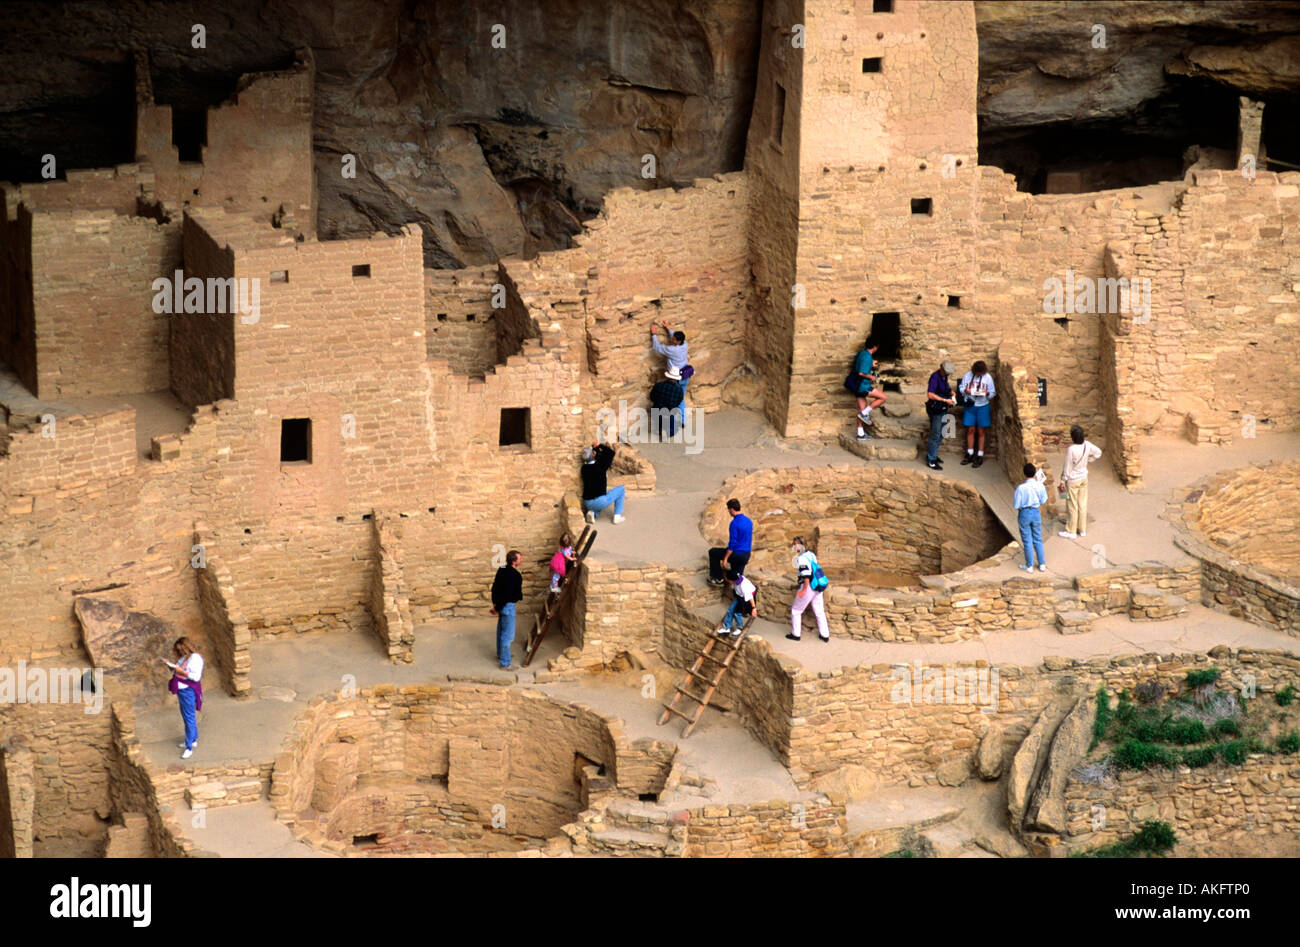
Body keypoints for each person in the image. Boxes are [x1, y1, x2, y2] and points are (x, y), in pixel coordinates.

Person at [1059, 425, 1103, 539]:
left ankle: (1071, 531)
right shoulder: (1087, 445)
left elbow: (1067, 467)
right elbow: (1098, 452)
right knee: (1082, 504)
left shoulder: (1072, 449)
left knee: (1072, 506)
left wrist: (1063, 480)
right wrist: (1089, 460)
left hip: (1073, 480)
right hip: (1084, 477)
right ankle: (1082, 529)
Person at [165, 637, 203, 759]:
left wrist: (181, 671)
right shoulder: (184, 658)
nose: (180, 652)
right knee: (187, 715)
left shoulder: (196, 659)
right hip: (182, 691)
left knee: (189, 718)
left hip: (188, 691)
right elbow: (178, 670)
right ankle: (193, 739)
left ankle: (189, 747)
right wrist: (172, 667)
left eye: (181, 649)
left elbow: (195, 677)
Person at [786, 537, 830, 642]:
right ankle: (825, 635)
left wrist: (803, 590)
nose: (794, 546)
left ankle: (796, 634)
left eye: (795, 544)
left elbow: (806, 575)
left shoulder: (801, 558)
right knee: (819, 611)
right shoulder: (811, 554)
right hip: (817, 585)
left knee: (796, 610)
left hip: (809, 586)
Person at [650, 320, 690, 432]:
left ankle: (669, 425)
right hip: (685, 375)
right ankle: (682, 421)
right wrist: (668, 329)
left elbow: (658, 348)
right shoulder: (685, 344)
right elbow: (675, 337)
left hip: (676, 378)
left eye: (673, 339)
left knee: (670, 401)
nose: (671, 340)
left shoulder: (673, 350)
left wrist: (654, 334)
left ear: (678, 341)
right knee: (681, 399)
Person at [958, 360, 996, 467]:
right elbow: (961, 388)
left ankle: (979, 455)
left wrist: (987, 393)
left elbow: (993, 392)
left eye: (981, 373)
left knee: (981, 431)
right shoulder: (968, 375)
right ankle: (969, 453)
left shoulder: (987, 377)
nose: (979, 375)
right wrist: (966, 391)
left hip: (983, 406)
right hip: (970, 406)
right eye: (978, 373)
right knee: (970, 429)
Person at [489, 550, 523, 669]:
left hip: (501, 605)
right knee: (507, 636)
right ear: (514, 561)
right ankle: (505, 663)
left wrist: (495, 604)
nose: (521, 560)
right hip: (508, 606)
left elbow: (495, 587)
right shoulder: (515, 575)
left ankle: (501, 655)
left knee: (501, 631)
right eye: (519, 558)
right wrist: (498, 607)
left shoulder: (502, 568)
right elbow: (508, 594)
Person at [708, 498, 753, 586]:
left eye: (728, 509)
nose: (728, 512)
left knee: (713, 552)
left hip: (736, 554)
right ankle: (740, 598)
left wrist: (725, 558)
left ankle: (718, 578)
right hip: (746, 555)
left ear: (731, 509)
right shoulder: (748, 521)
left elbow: (732, 544)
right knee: (737, 580)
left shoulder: (734, 523)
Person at [1013, 463, 1049, 572]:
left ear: (1024, 474)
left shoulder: (1021, 488)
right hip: (1035, 512)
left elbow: (1016, 505)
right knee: (1038, 538)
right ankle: (1042, 564)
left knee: (1027, 540)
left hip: (1024, 513)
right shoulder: (1040, 485)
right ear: (1034, 473)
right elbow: (1043, 500)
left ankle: (1029, 566)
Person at [581, 442, 625, 524]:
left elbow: (595, 460)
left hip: (587, 502)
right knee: (621, 489)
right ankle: (617, 516)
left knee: (605, 494)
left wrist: (595, 451)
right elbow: (610, 453)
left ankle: (593, 514)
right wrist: (598, 446)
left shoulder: (584, 469)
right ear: (593, 456)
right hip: (600, 501)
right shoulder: (601, 466)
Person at [852, 337, 887, 439]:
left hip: (856, 385)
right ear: (875, 347)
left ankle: (860, 433)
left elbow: (859, 365)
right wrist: (872, 377)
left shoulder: (862, 353)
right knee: (883, 397)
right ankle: (865, 413)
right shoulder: (867, 357)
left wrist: (870, 364)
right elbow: (861, 372)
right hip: (863, 385)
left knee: (861, 408)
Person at [924, 360, 957, 469]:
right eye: (946, 372)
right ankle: (931, 459)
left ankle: (933, 453)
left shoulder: (944, 377)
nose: (947, 374)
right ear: (941, 368)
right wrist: (944, 400)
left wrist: (951, 392)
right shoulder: (935, 377)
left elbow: (945, 388)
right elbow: (930, 394)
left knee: (942, 432)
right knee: (935, 434)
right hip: (936, 409)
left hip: (942, 408)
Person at [715, 573, 758, 638]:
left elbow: (750, 597)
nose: (727, 580)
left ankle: (739, 627)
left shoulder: (744, 586)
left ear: (732, 581)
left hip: (745, 599)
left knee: (737, 612)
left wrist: (753, 608)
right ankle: (727, 627)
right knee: (730, 609)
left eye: (728, 579)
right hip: (740, 596)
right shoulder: (736, 581)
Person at [650, 367, 686, 439]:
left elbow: (652, 397)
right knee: (674, 428)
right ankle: (666, 432)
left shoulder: (658, 385)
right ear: (677, 378)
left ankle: (659, 427)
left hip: (656, 412)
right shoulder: (679, 390)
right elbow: (678, 402)